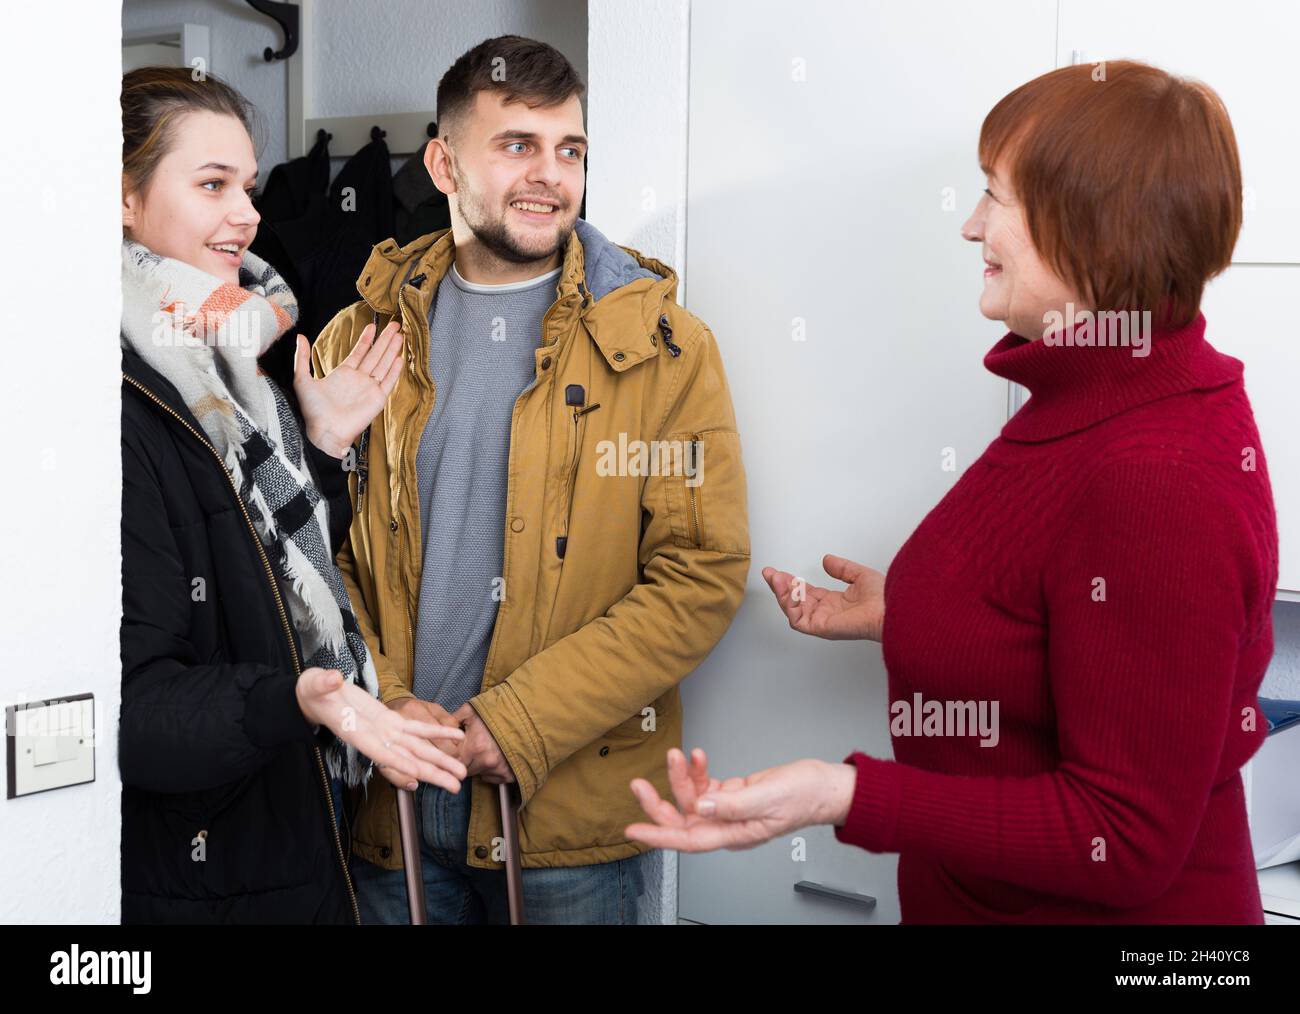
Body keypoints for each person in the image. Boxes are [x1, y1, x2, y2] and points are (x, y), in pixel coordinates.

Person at [626, 60, 1279, 924]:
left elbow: (1120, 838)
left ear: (1093, 225)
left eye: (995, 197)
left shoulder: (1159, 477)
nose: (971, 227)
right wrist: (913, 612)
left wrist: (845, 795)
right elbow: (1076, 629)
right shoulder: (1095, 394)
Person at [311, 36, 749, 924]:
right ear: (443, 161)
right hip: (387, 804)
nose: (550, 175)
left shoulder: (664, 347)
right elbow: (316, 557)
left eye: (569, 149)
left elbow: (699, 574)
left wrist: (524, 721)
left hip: (561, 825)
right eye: (517, 145)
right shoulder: (355, 339)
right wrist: (385, 705)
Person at [118, 66, 466, 924]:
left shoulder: (236, 359)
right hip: (198, 873)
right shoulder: (115, 396)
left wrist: (322, 447)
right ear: (123, 196)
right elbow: (131, 708)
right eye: (211, 185)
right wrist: (296, 699)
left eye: (245, 183)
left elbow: (247, 566)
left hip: (288, 836)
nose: (248, 211)